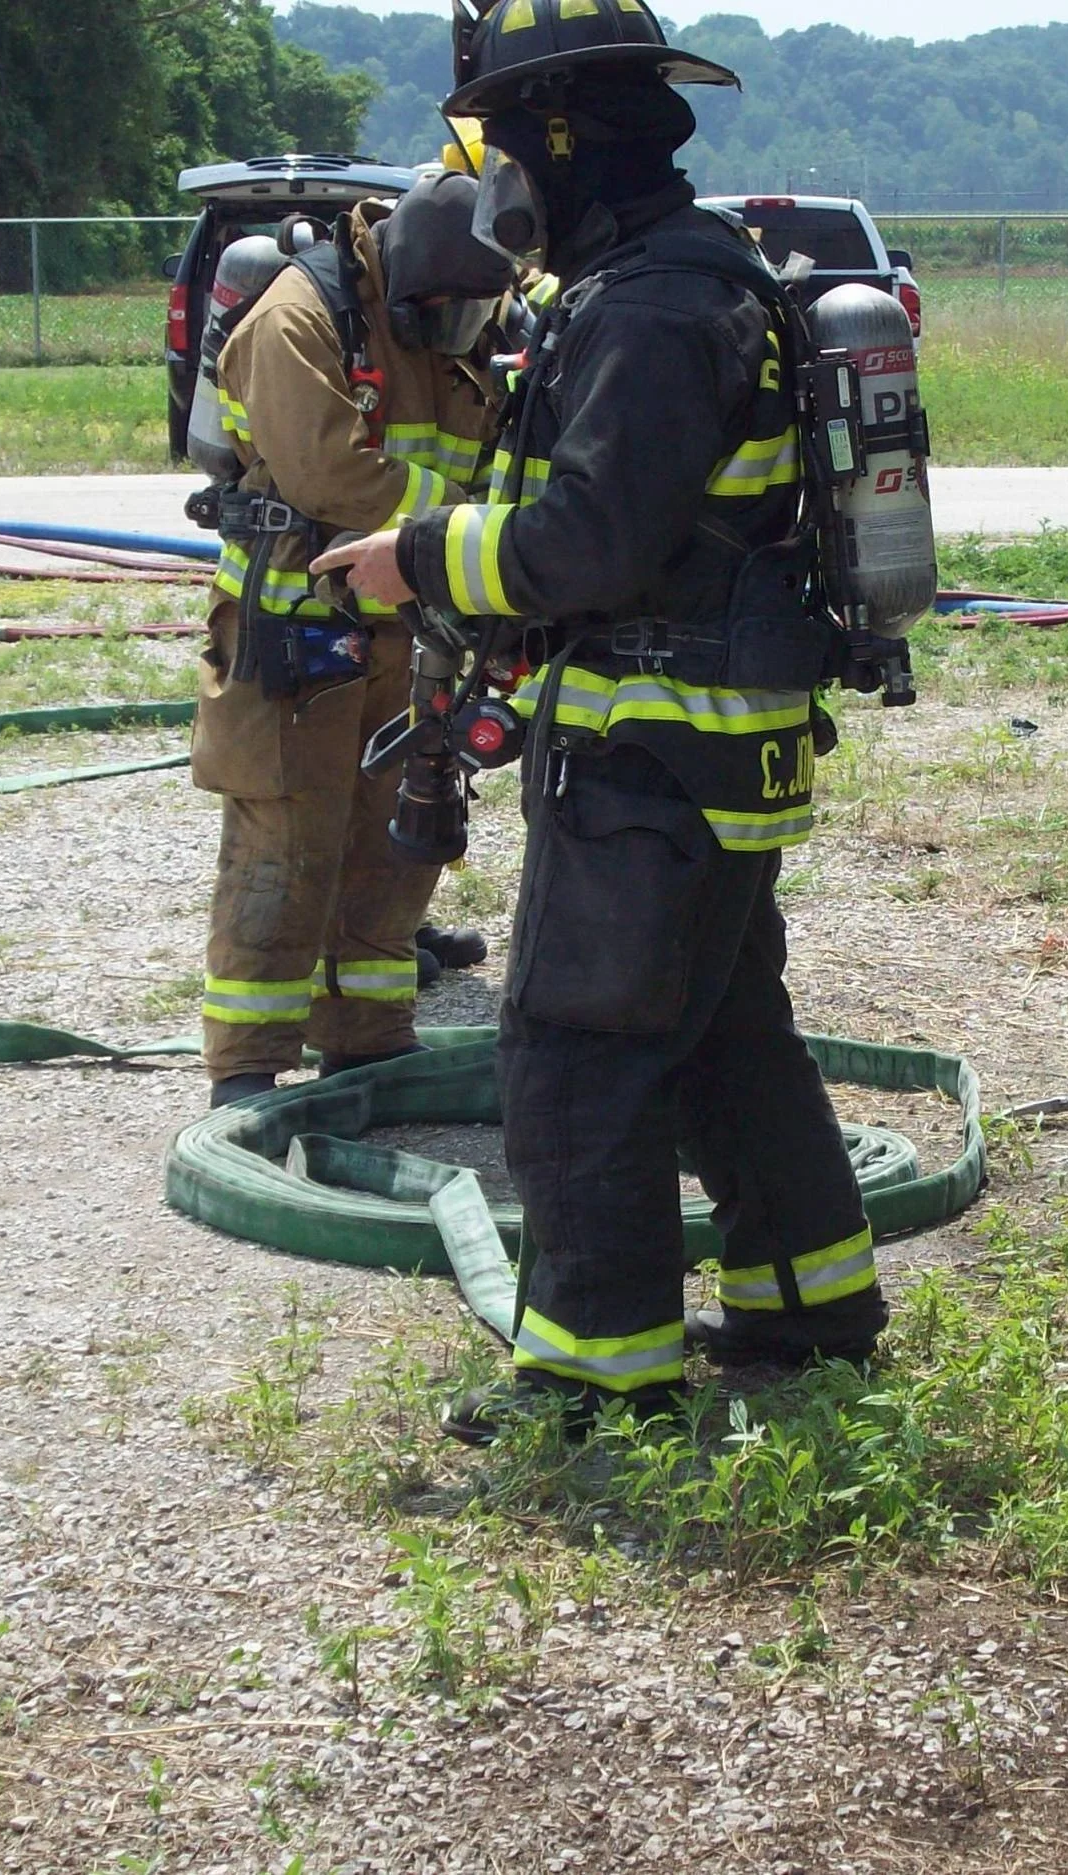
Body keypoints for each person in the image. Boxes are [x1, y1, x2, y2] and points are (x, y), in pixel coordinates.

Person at [314, 0, 885, 1442]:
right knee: (721, 1037)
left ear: (564, 146)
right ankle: (807, 1309)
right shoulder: (679, 278)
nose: (494, 187)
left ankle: (591, 1379)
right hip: (710, 745)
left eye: (502, 150)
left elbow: (589, 541)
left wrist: (418, 555)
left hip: (647, 753)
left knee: (576, 1049)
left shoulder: (645, 307)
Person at [194, 173, 511, 1108]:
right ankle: (248, 1069)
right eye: (450, 315)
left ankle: (368, 1039)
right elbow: (329, 471)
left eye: (476, 316)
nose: (466, 334)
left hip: (411, 631)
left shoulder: (463, 320)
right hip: (296, 633)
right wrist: (467, 535)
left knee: (395, 841)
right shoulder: (299, 318)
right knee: (287, 846)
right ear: (409, 281)